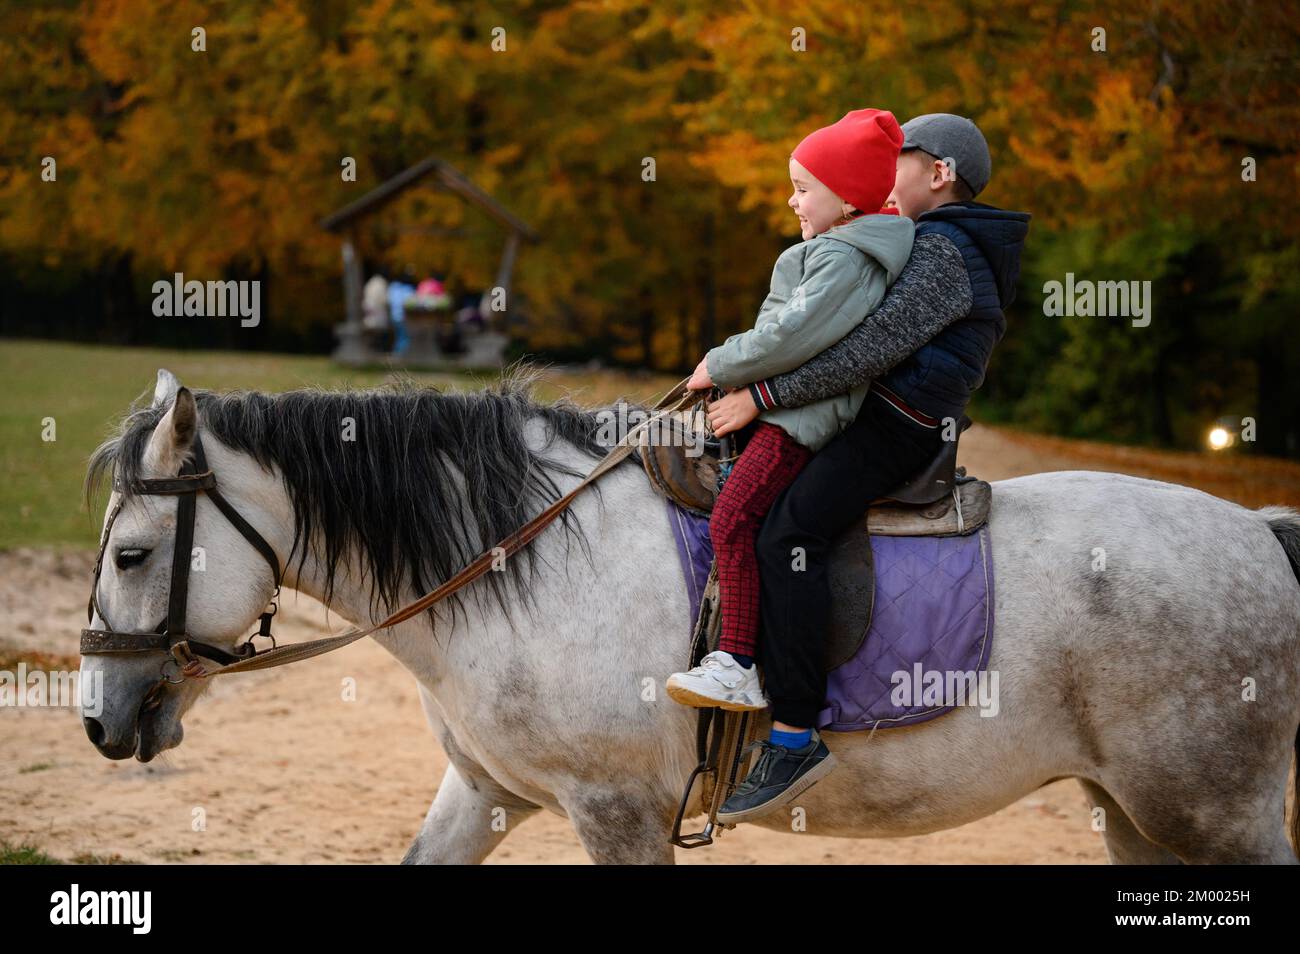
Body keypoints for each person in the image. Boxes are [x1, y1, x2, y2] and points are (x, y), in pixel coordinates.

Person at [699, 113, 1031, 823]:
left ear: (938, 173)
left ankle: (793, 732)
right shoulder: (930, 240)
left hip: (899, 423)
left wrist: (764, 393)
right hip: (875, 409)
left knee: (790, 533)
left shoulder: (950, 250)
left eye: (900, 161)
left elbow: (866, 349)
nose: (886, 175)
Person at [664, 109, 914, 747]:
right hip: (781, 411)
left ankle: (738, 663)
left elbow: (792, 335)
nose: (791, 199)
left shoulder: (845, 259)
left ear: (849, 197)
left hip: (795, 422)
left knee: (734, 518)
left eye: (804, 189)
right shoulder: (836, 250)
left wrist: (718, 364)